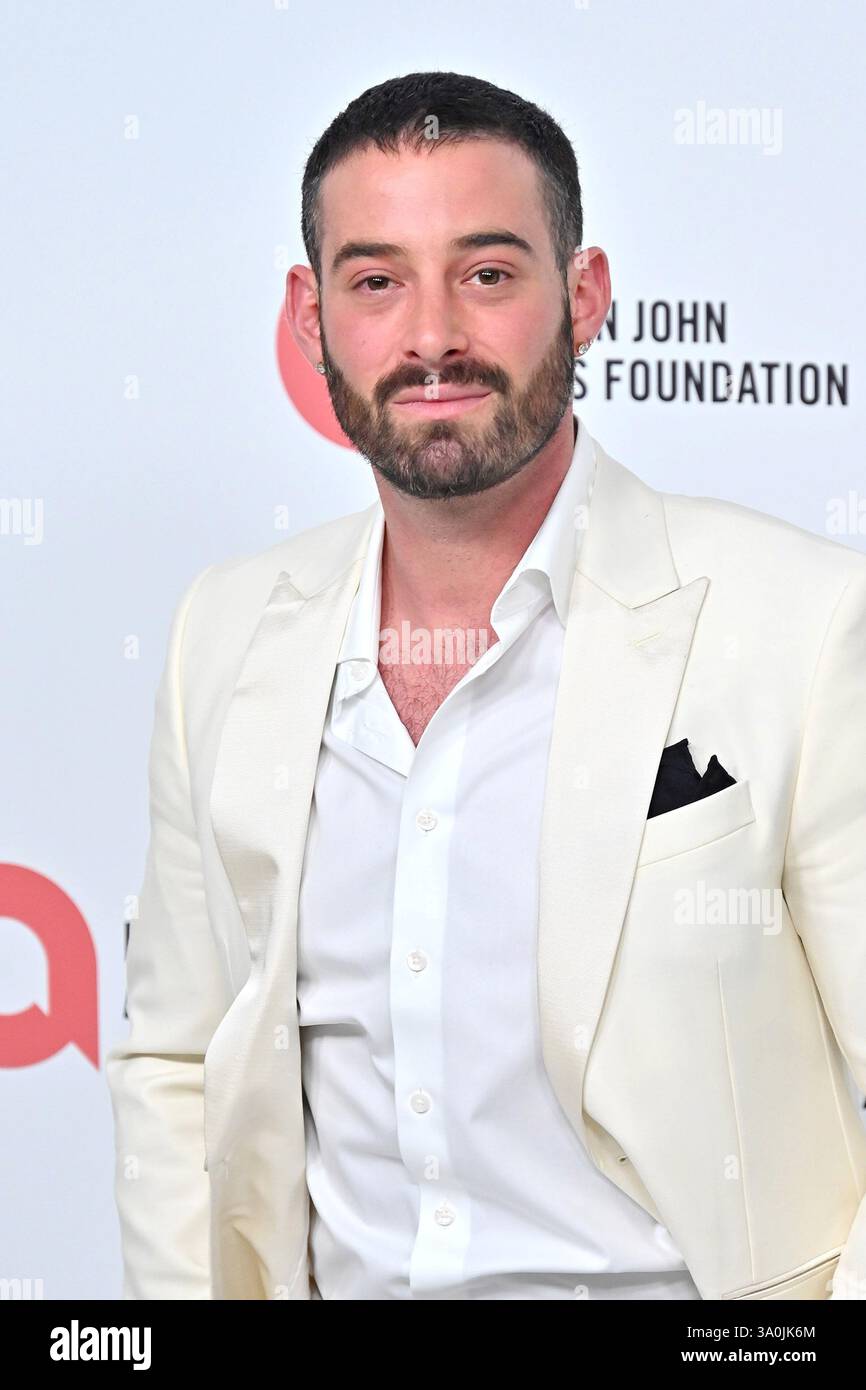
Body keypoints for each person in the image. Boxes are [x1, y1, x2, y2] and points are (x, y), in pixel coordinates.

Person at [106, 70, 866, 1300]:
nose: (430, 336)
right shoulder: (226, 633)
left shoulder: (804, 622)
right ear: (310, 319)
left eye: (488, 273)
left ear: (584, 292)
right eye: (376, 280)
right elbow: (177, 1058)